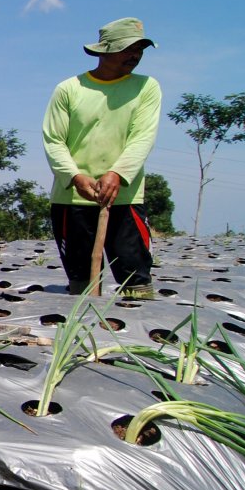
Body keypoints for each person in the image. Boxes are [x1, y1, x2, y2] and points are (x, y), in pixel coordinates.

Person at [42, 17, 162, 299]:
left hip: (124, 198)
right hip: (72, 200)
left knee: (136, 279)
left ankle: (135, 322)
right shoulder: (69, 89)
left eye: (139, 49)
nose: (135, 55)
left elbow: (142, 137)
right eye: (127, 49)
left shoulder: (146, 87)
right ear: (105, 50)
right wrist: (75, 177)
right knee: (82, 281)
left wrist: (117, 174)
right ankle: (85, 323)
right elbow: (54, 140)